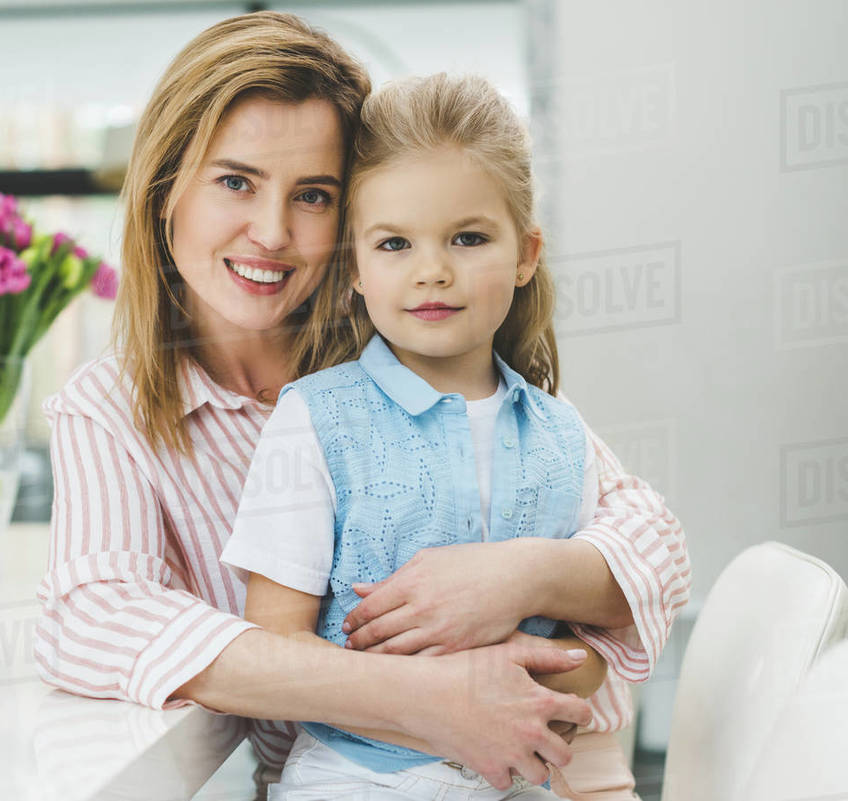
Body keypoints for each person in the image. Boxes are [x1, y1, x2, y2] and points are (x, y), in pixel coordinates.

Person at [35, 11, 690, 800]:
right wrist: (433, 699)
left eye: (313, 195)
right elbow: (95, 617)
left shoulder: (418, 340)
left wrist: (518, 577)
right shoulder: (110, 410)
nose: (271, 231)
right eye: (235, 181)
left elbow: (652, 540)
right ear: (165, 189)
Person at [221, 72, 626, 801]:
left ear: (526, 253)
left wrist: (527, 674)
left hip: (520, 781)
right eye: (395, 243)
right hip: (354, 783)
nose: (432, 271)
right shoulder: (314, 420)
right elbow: (274, 643)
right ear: (354, 266)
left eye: (468, 238)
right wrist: (443, 694)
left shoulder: (564, 434)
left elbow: (594, 648)